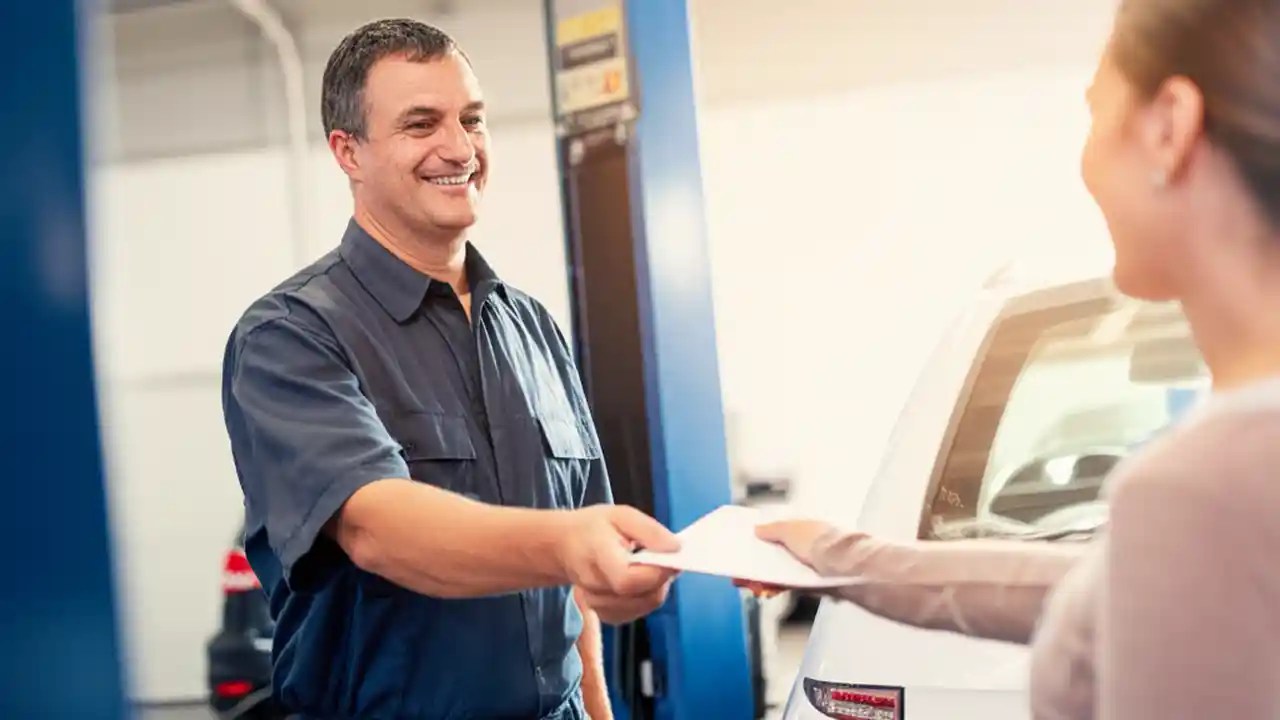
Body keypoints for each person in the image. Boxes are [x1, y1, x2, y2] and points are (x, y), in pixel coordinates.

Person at [749, 0, 1280, 718]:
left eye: (1094, 112)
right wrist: (843, 558)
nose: (1085, 160)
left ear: (1168, 128)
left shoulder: (1199, 489)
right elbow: (1091, 582)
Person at [221, 18, 678, 720]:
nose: (459, 147)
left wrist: (598, 707)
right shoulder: (290, 337)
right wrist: (568, 545)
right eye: (421, 124)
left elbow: (573, 586)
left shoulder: (532, 330)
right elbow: (380, 529)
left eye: (472, 119)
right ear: (349, 151)